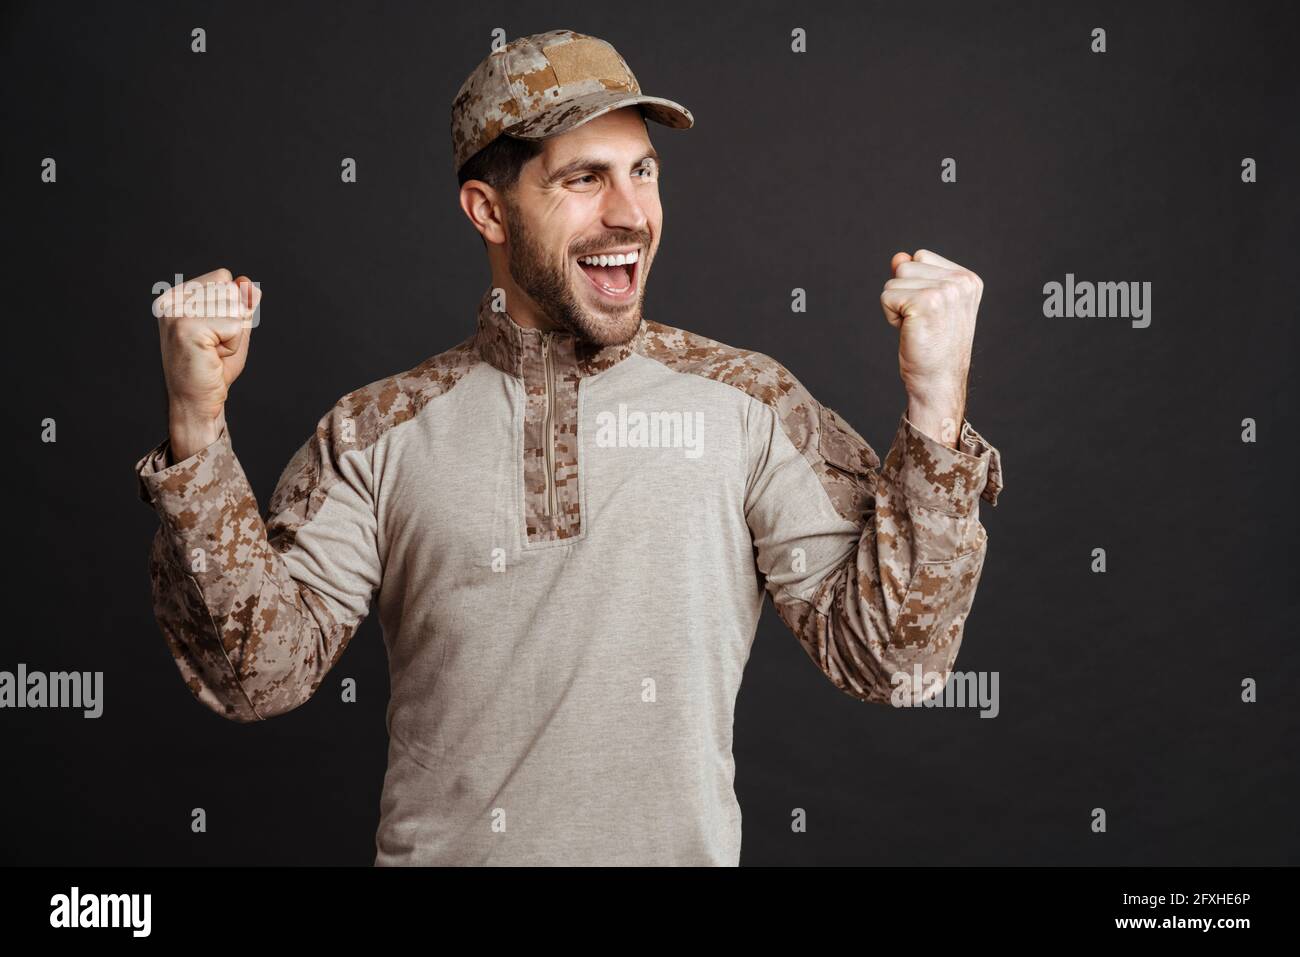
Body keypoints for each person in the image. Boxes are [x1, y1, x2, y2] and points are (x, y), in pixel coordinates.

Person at [135, 28, 1005, 866]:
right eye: (584, 178)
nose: (629, 214)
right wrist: (198, 429)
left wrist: (935, 405)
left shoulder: (749, 403)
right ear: (488, 209)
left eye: (643, 172)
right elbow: (255, 679)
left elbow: (896, 661)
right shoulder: (375, 430)